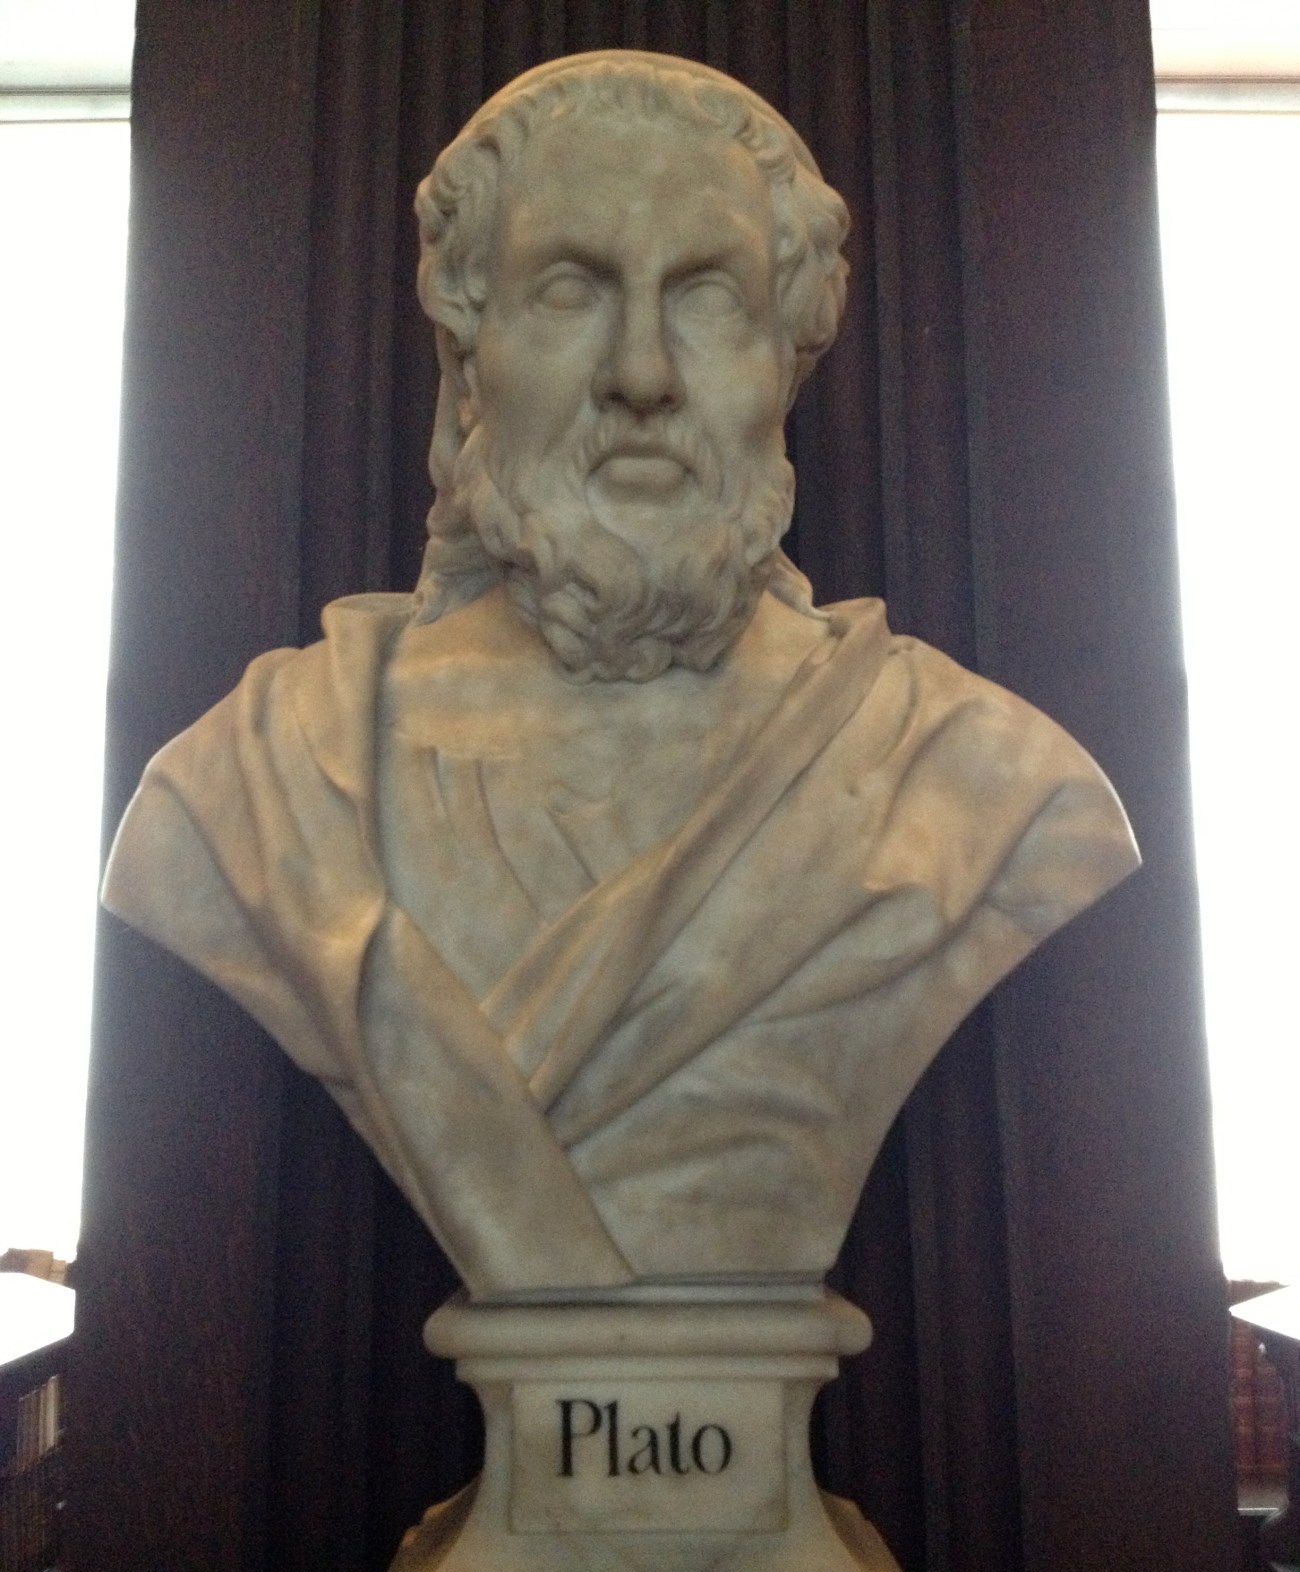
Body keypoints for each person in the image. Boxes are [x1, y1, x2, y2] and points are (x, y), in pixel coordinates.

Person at [103, 51, 1139, 1299]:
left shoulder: (980, 789)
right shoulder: (260, 791)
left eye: (703, 295)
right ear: (471, 345)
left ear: (783, 353)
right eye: (569, 290)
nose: (639, 372)